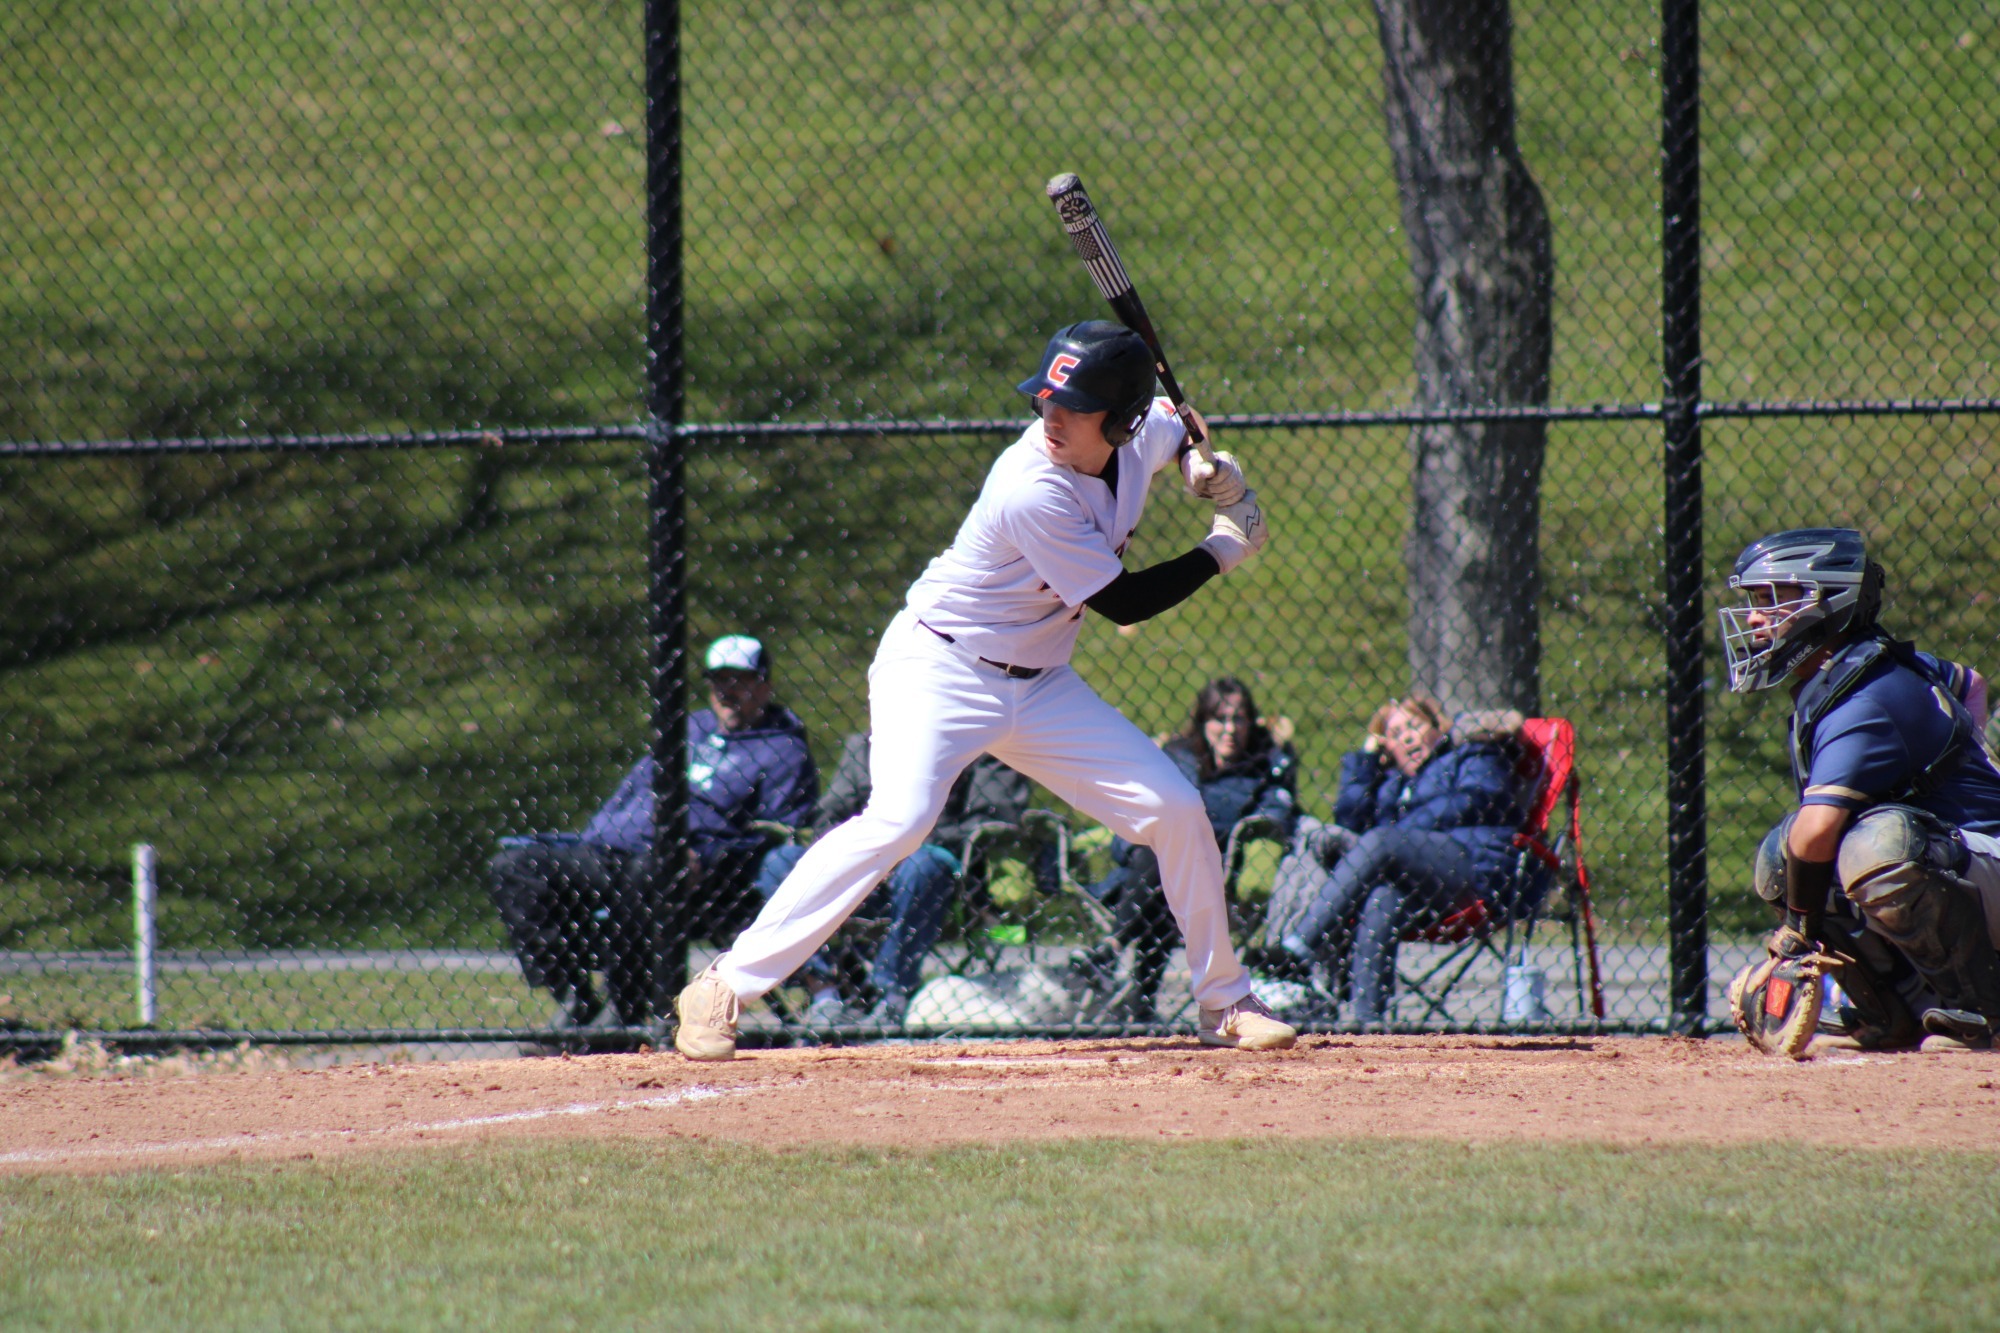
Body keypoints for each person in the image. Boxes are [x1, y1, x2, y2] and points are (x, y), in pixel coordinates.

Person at [673, 318, 1297, 1058]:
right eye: (1047, 399)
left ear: (1121, 422)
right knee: (900, 819)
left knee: (1176, 806)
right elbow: (1124, 603)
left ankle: (1224, 999)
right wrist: (1223, 545)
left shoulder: (1138, 432)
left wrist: (1205, 465)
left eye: (1075, 405)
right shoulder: (1028, 484)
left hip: (1039, 686)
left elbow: (1172, 427)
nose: (1052, 416)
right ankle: (722, 985)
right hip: (937, 670)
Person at [1718, 528, 2000, 1053]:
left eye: (1771, 600)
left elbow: (1819, 831)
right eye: (1753, 602)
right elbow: (1972, 682)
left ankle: (1983, 1011)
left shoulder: (1862, 697)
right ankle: (1894, 1015)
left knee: (1872, 845)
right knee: (1787, 857)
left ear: (1827, 600)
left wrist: (1794, 944)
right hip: (1972, 870)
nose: (1754, 618)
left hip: (1987, 861)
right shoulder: (1863, 664)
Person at [488, 634, 817, 1029]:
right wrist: (596, 835)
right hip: (609, 849)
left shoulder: (784, 749)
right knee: (513, 865)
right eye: (718, 680)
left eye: (740, 680)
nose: (727, 692)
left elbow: (776, 833)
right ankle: (574, 997)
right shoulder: (689, 728)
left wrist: (709, 857)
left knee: (647, 873)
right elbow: (630, 789)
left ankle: (624, 1012)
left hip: (689, 868)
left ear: (764, 685)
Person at [1274, 694, 1542, 1023]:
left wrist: (1400, 832)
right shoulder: (1394, 785)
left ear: (1438, 728)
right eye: (1397, 734)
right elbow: (1350, 823)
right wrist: (1366, 760)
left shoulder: (1473, 752)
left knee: (1383, 840)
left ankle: (1293, 952)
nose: (1408, 737)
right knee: (1381, 897)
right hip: (1420, 885)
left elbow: (1481, 798)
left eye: (1415, 726)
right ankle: (1367, 1022)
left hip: (1474, 863)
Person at [1079, 677, 1298, 1021]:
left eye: (1238, 719)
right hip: (1149, 870)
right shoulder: (1177, 755)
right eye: (1219, 718)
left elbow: (1278, 813)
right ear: (1202, 722)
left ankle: (1113, 954)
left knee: (1172, 852)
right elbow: (1142, 808)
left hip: (1217, 873)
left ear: (1250, 722)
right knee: (1165, 854)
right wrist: (1128, 845)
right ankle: (1138, 999)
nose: (1229, 729)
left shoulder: (1263, 765)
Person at [806, 735, 1035, 1025]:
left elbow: (991, 817)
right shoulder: (865, 744)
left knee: (922, 863)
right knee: (783, 860)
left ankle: (892, 996)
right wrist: (864, 855)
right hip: (863, 869)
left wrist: (904, 848)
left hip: (940, 875)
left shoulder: (978, 742)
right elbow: (829, 813)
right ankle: (824, 996)